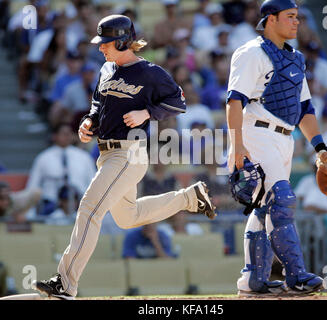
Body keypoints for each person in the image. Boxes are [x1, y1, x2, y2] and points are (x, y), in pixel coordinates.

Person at [32, 14, 216, 300]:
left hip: (128, 152)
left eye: (105, 42)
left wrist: (148, 113)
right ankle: (189, 199)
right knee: (129, 217)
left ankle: (66, 283)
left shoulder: (149, 72)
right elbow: (98, 103)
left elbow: (178, 103)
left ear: (121, 40)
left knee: (89, 209)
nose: (100, 47)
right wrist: (89, 121)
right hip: (108, 154)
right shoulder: (106, 69)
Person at [226, 0, 327, 294]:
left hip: (285, 138)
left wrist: (320, 148)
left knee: (263, 209)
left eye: (298, 17)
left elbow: (305, 108)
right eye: (290, 16)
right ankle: (295, 275)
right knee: (282, 200)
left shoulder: (296, 57)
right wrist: (237, 147)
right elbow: (234, 102)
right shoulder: (250, 53)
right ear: (271, 19)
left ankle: (252, 279)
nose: (297, 22)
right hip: (255, 133)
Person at [26, 122, 96, 216]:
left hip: (80, 206)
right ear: (54, 136)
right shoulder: (43, 158)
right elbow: (33, 186)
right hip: (50, 208)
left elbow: (93, 183)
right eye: (63, 133)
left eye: (69, 133)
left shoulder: (84, 157)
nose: (67, 136)